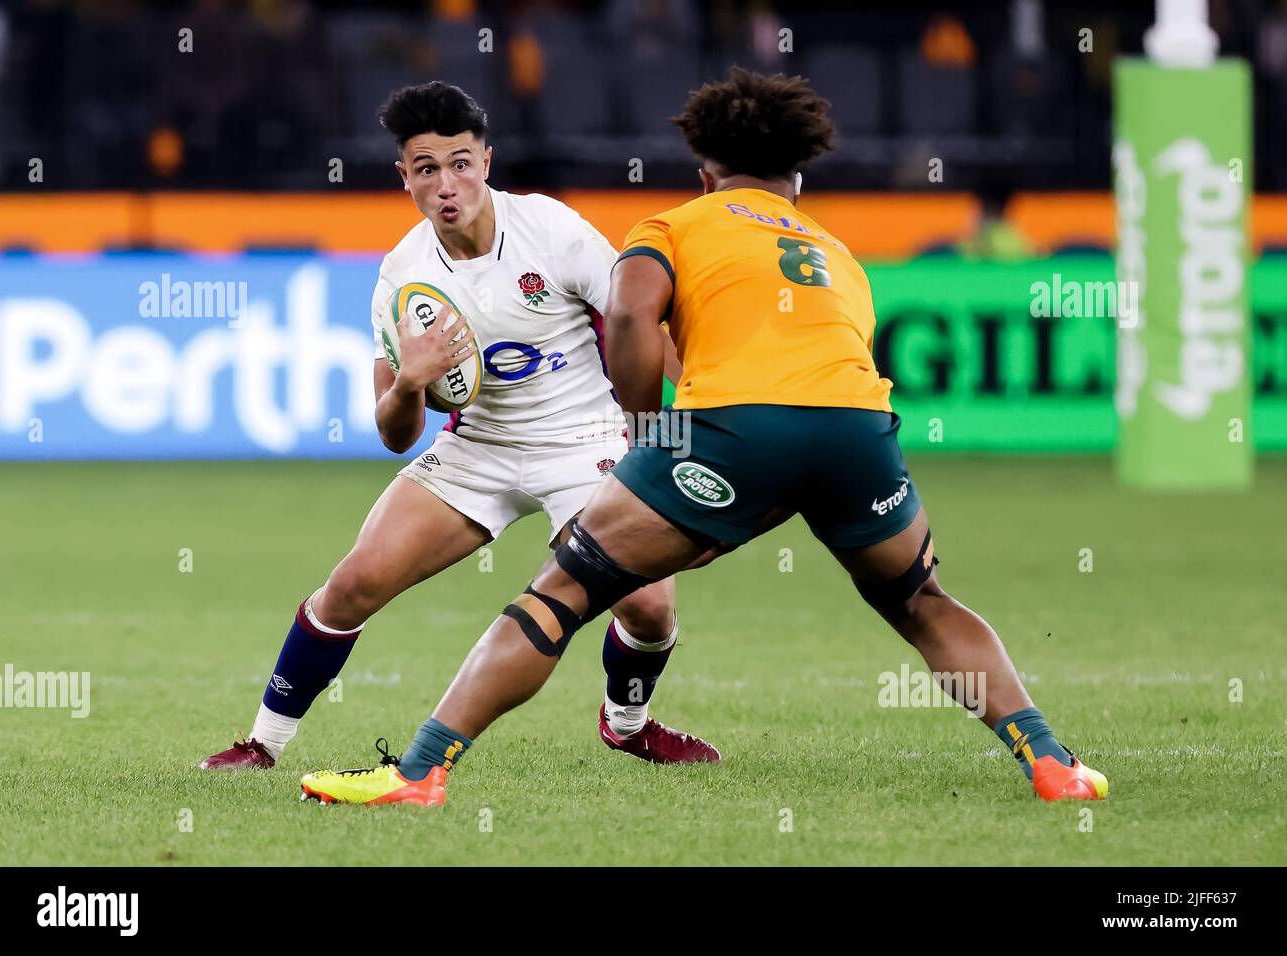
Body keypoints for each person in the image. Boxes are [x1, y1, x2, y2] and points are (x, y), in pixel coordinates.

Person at [299, 69, 1106, 806]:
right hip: (858, 429)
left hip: (735, 427)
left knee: (563, 590)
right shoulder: (835, 254)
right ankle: (1051, 762)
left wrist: (651, 437)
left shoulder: (675, 224)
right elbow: (847, 354)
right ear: (797, 179)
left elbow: (627, 314)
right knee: (923, 603)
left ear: (705, 172)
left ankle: (420, 772)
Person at [199, 81, 718, 776]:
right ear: (404, 178)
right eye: (426, 169)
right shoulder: (402, 278)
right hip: (478, 450)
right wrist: (410, 380)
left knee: (650, 608)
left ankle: (627, 724)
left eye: (461, 164)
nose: (447, 185)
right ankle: (261, 744)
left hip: (585, 443)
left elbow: (644, 324)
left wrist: (676, 432)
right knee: (352, 584)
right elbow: (393, 432)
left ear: (487, 161)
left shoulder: (552, 231)